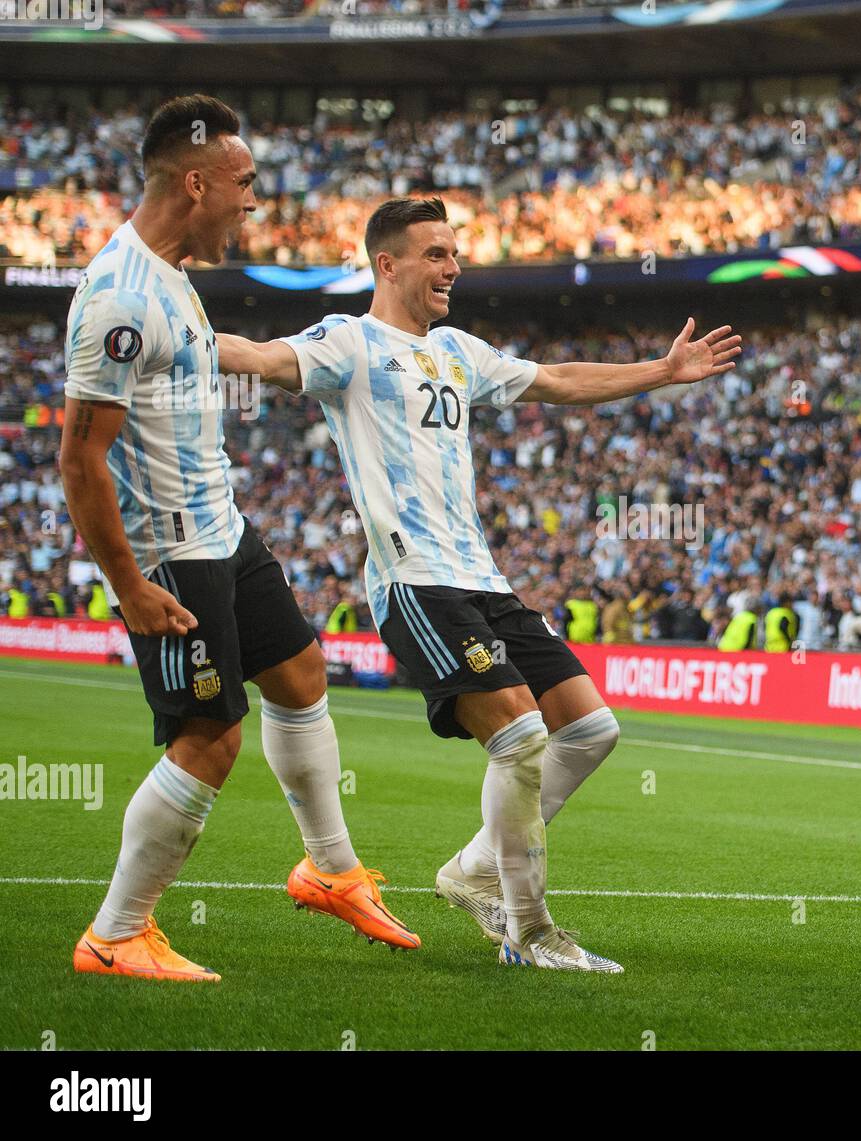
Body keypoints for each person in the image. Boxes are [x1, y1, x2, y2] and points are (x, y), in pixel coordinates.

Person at [216, 196, 741, 972]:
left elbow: (558, 380)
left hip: (483, 580)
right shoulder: (348, 343)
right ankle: (529, 932)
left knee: (591, 729)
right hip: (416, 583)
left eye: (454, 253)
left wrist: (661, 372)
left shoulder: (459, 350)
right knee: (523, 737)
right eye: (435, 254)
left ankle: (470, 871)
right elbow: (261, 357)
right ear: (387, 264)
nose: (453, 268)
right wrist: (178, 331)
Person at [60, 95, 418, 986]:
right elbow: (79, 457)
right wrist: (131, 588)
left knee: (300, 671)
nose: (254, 202)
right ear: (196, 180)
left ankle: (330, 870)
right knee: (210, 738)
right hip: (171, 551)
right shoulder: (122, 296)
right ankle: (116, 933)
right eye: (245, 184)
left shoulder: (172, 270)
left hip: (221, 527)